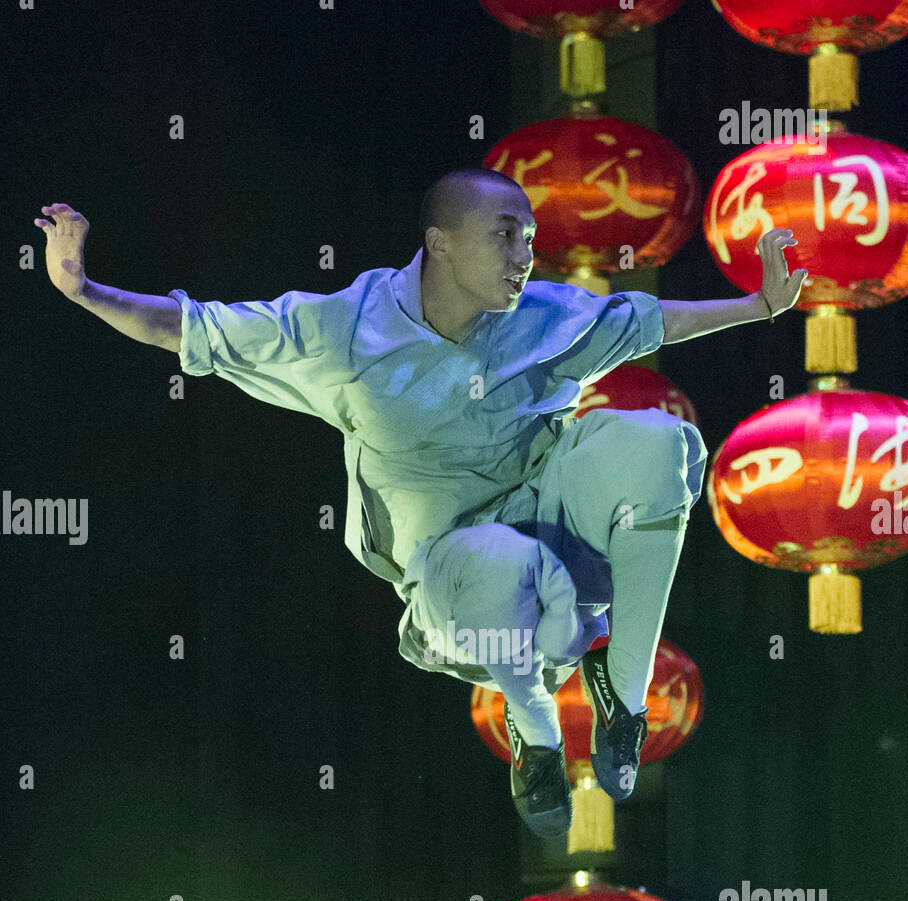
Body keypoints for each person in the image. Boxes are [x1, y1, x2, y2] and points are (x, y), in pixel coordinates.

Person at [34, 174, 807, 837]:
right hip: (452, 581)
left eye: (530, 237)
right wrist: (81, 289)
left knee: (660, 444)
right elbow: (190, 328)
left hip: (557, 527)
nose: (524, 255)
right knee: (496, 561)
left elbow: (651, 322)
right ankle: (534, 736)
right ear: (439, 244)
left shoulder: (544, 314)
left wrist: (759, 307)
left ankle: (623, 701)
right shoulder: (339, 332)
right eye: (505, 236)